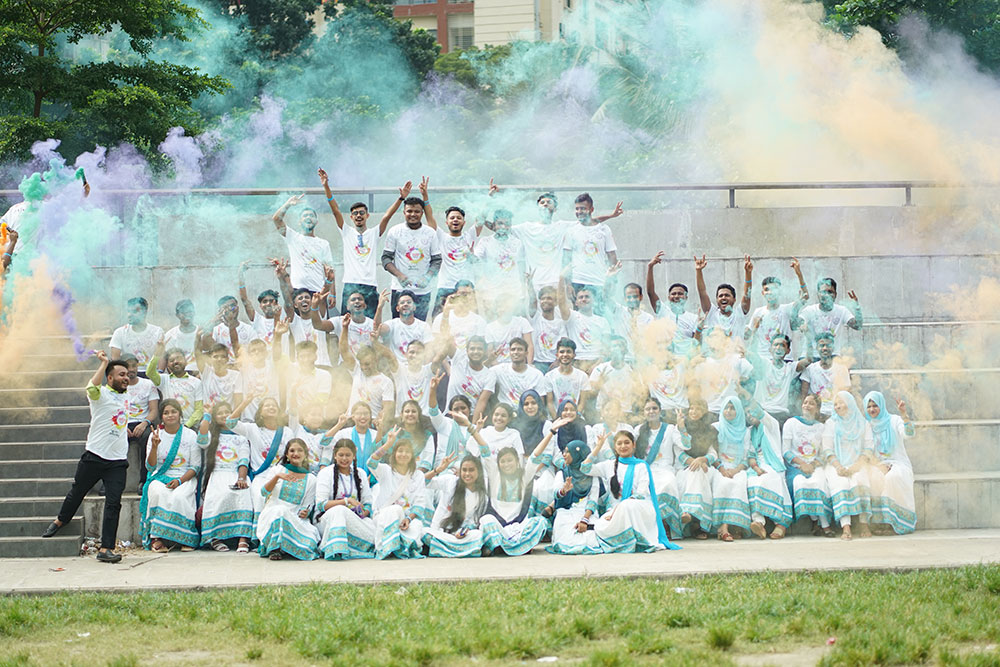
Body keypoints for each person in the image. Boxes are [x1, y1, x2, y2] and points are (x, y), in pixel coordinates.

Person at [42, 352, 131, 563]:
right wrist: (104, 363)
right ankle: (61, 520)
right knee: (78, 491)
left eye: (127, 374)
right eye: (121, 374)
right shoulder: (100, 394)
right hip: (95, 455)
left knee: (113, 503)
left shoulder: (126, 396)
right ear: (110, 378)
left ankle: (105, 548)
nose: (126, 377)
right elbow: (91, 387)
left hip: (117, 461)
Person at [319, 169, 410, 317]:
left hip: (369, 285)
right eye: (355, 213)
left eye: (361, 213)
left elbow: (387, 216)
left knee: (369, 323)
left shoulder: (374, 233)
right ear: (351, 217)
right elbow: (335, 210)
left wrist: (401, 198)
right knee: (347, 322)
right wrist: (326, 186)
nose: (358, 216)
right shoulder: (346, 231)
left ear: (367, 215)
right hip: (350, 284)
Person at [581, 430, 681, 553]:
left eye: (627, 442)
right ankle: (626, 542)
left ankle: (632, 541)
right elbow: (585, 468)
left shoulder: (641, 466)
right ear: (615, 447)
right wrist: (598, 447)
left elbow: (641, 493)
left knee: (628, 505)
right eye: (619, 443)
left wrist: (618, 508)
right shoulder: (609, 465)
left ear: (633, 445)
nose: (623, 446)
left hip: (639, 508)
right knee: (601, 527)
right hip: (614, 510)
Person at [466, 418, 552, 556]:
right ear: (498, 464)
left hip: (517, 527)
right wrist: (471, 427)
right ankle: (518, 547)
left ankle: (502, 547)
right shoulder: (494, 474)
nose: (506, 464)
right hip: (498, 525)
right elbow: (484, 449)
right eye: (503, 461)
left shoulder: (524, 476)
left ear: (517, 461)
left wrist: (551, 432)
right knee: (486, 521)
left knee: (540, 522)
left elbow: (535, 455)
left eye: (509, 460)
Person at [141, 399, 202, 553]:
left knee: (179, 497)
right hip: (161, 476)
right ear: (161, 417)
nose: (170, 415)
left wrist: (180, 481)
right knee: (157, 492)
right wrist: (154, 447)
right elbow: (150, 467)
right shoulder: (155, 435)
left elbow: (195, 466)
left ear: (180, 414)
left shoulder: (190, 435)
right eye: (166, 413)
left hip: (184, 477)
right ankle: (157, 538)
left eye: (174, 411)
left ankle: (185, 537)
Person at [366, 427, 430, 559]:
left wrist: (408, 519)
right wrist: (388, 444)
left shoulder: (417, 475)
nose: (403, 454)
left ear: (412, 456)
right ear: (394, 453)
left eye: (407, 452)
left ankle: (401, 549)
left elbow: (419, 503)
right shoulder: (385, 470)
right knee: (395, 509)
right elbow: (371, 462)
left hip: (406, 519)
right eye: (400, 451)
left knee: (417, 526)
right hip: (385, 516)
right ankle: (388, 548)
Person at [198, 402, 253, 553]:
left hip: (235, 473)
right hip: (217, 474)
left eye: (227, 412)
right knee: (220, 495)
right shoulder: (212, 435)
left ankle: (243, 538)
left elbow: (244, 459)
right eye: (219, 413)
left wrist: (241, 479)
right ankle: (215, 538)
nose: (224, 415)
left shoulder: (241, 437)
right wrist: (207, 415)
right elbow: (202, 437)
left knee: (244, 494)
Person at [382, 188, 441, 321]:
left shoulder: (430, 233)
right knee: (398, 326)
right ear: (404, 212)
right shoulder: (395, 231)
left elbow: (437, 260)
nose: (413, 214)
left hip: (423, 291)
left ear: (422, 213)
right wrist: (399, 275)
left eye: (417, 211)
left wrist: (427, 277)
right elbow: (386, 258)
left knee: (419, 328)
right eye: (409, 211)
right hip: (399, 290)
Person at [822, 391, 873, 540]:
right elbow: (827, 449)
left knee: (860, 480)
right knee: (841, 483)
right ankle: (846, 526)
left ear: (850, 403)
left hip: (858, 464)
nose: (837, 406)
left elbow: (869, 448)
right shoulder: (831, 423)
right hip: (836, 465)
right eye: (835, 404)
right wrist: (838, 467)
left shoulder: (863, 423)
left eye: (841, 402)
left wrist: (855, 467)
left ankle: (864, 524)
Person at [257, 439, 320, 560]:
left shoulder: (311, 479)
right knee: (280, 510)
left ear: (305, 454)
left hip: (294, 517)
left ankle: (286, 547)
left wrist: (304, 512)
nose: (295, 453)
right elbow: (263, 492)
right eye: (292, 450)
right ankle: (275, 548)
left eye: (300, 450)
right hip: (273, 514)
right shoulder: (277, 470)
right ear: (286, 454)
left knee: (310, 540)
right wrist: (277, 477)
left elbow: (307, 505)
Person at [864, 391, 916, 535]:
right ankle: (879, 522)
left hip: (898, 462)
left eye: (875, 405)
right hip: (876, 464)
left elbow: (909, 434)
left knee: (893, 478)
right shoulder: (866, 425)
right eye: (868, 407)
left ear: (881, 405)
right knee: (874, 477)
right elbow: (865, 450)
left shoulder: (894, 420)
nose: (872, 409)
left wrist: (904, 414)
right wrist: (877, 465)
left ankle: (895, 522)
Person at [782, 394, 833, 537]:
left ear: (817, 409)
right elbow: (785, 451)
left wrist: (814, 464)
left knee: (820, 482)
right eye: (805, 402)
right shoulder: (791, 423)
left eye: (811, 404)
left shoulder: (821, 427)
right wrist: (802, 464)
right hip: (796, 466)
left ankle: (822, 524)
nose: (807, 406)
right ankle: (822, 524)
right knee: (800, 482)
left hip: (815, 466)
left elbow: (824, 452)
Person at [315, 438, 375, 559]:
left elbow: (368, 503)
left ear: (354, 455)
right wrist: (346, 502)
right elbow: (321, 505)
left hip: (355, 518)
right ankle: (336, 549)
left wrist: (364, 512)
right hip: (327, 520)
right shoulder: (326, 473)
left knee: (376, 533)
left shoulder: (361, 473)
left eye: (348, 455)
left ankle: (356, 549)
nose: (344, 459)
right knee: (339, 510)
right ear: (335, 455)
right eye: (341, 455)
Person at [423, 455, 493, 557]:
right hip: (441, 533)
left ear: (479, 472)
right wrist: (437, 470)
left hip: (461, 536)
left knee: (477, 535)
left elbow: (473, 522)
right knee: (423, 532)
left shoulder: (482, 496)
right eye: (464, 470)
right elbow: (423, 482)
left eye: (471, 470)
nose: (467, 474)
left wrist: (463, 532)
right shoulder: (450, 481)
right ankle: (461, 551)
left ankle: (441, 549)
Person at [543, 440, 602, 555]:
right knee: (567, 537)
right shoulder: (562, 473)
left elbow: (593, 500)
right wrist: (564, 491)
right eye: (564, 451)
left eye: (568, 452)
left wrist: (584, 521)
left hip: (587, 513)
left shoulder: (592, 475)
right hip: (566, 511)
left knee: (591, 539)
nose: (564, 455)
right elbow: (556, 494)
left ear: (577, 455)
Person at [561, 193, 622, 304]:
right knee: (579, 318)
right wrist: (567, 284)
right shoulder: (571, 230)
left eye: (583, 208)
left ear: (591, 209)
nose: (579, 211)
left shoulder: (604, 229)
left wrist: (613, 279)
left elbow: (612, 255)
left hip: (599, 281)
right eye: (577, 208)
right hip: (577, 281)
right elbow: (566, 259)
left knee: (600, 316)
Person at [635, 397, 683, 539]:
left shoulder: (669, 429)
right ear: (644, 412)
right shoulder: (639, 430)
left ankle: (665, 524)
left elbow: (685, 445)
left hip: (665, 469)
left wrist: (682, 427)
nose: (651, 411)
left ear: (660, 411)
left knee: (667, 484)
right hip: (645, 470)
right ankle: (651, 527)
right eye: (648, 409)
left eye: (654, 408)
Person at [744, 259, 808, 364]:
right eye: (767, 289)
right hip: (764, 359)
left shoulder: (787, 309)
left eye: (774, 288)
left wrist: (799, 274)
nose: (770, 292)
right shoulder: (758, 312)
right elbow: (748, 337)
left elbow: (805, 296)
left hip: (785, 359)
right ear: (762, 293)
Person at [745, 405, 794, 539]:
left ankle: (781, 524)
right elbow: (750, 456)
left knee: (768, 479)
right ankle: (759, 523)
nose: (750, 415)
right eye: (747, 413)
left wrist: (745, 395)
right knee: (751, 481)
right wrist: (756, 468)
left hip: (773, 465)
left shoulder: (770, 425)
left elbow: (760, 413)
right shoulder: (750, 431)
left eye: (752, 412)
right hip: (758, 466)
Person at [271, 193, 334, 293]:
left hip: (318, 290)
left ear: (316, 221)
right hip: (298, 290)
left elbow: (330, 270)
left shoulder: (324, 243)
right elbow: (276, 219)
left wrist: (332, 294)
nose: (308, 217)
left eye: (311, 215)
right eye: (305, 216)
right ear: (299, 222)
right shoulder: (293, 237)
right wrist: (288, 204)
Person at [710, 396, 752, 542]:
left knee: (739, 483)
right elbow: (712, 452)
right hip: (719, 467)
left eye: (733, 408)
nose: (728, 411)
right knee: (723, 483)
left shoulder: (745, 431)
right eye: (726, 407)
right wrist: (722, 469)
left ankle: (731, 525)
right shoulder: (715, 427)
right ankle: (724, 527)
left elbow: (746, 457)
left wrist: (735, 470)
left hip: (737, 469)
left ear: (739, 411)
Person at [675, 399, 718, 540]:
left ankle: (689, 514)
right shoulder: (681, 427)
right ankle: (696, 524)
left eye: (698, 409)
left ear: (704, 412)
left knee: (699, 473)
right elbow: (679, 452)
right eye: (691, 408)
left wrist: (702, 460)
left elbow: (713, 453)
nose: (694, 412)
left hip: (705, 467)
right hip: (684, 467)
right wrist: (694, 462)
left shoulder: (710, 430)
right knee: (695, 472)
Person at [428, 204, 480, 314]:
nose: (455, 220)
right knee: (438, 320)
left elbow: (481, 219)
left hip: (466, 288)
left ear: (464, 222)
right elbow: (429, 217)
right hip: (445, 287)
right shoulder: (441, 237)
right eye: (452, 218)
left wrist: (490, 197)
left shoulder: (469, 236)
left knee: (471, 322)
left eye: (459, 218)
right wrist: (425, 197)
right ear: (446, 222)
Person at [792, 278, 863, 360]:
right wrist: (797, 306)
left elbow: (858, 326)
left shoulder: (842, 311)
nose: (826, 295)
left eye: (830, 292)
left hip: (832, 355)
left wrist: (856, 307)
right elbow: (794, 325)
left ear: (835, 294)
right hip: (811, 356)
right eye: (823, 292)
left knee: (841, 369)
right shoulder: (810, 310)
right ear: (818, 294)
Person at [340, 328, 395, 430]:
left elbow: (387, 408)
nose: (364, 367)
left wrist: (380, 418)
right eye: (361, 364)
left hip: (371, 422)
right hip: (351, 420)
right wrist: (345, 328)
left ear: (376, 360)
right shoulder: (357, 371)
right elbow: (343, 350)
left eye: (367, 364)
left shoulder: (386, 382)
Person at [694, 254, 753, 348]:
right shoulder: (711, 313)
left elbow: (747, 294)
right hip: (716, 359)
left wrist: (748, 273)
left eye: (727, 295)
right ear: (717, 300)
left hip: (736, 358)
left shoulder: (739, 313)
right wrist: (699, 271)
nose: (723, 298)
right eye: (720, 296)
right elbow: (702, 292)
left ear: (734, 300)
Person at [646, 251, 698, 354]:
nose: (676, 296)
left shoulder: (694, 318)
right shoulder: (663, 312)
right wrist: (650, 267)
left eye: (680, 294)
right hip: (665, 361)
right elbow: (650, 292)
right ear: (669, 297)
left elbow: (695, 342)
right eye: (673, 294)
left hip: (684, 362)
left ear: (686, 297)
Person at [751, 334, 810, 422]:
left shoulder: (790, 368)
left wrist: (808, 335)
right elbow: (752, 354)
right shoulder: (764, 363)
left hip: (781, 414)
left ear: (788, 351)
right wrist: (754, 330)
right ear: (770, 349)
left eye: (782, 345)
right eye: (775, 345)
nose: (778, 348)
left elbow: (808, 360)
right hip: (762, 411)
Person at [122, 355, 158, 493]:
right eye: (127, 366)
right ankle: (110, 481)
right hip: (123, 424)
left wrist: (144, 423)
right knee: (112, 438)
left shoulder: (148, 384)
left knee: (149, 438)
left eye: (134, 366)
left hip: (143, 422)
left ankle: (144, 480)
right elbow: (113, 410)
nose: (131, 369)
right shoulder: (118, 386)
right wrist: (122, 427)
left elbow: (154, 410)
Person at [147, 343, 204, 427]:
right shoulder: (164, 380)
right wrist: (157, 353)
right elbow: (150, 372)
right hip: (169, 425)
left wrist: (186, 426)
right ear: (167, 365)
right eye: (171, 360)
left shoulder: (196, 382)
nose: (176, 362)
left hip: (190, 427)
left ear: (186, 361)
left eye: (179, 358)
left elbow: (199, 410)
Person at [799, 333, 852, 417]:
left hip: (835, 413)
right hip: (816, 414)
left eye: (828, 345)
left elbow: (845, 395)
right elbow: (804, 395)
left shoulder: (841, 369)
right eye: (822, 345)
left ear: (833, 348)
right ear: (817, 348)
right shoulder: (810, 369)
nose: (825, 348)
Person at [445, 336, 495, 421]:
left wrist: (473, 428)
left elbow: (481, 403)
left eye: (479, 349)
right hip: (450, 415)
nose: (476, 352)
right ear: (467, 351)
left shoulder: (490, 375)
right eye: (472, 349)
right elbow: (448, 343)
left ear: (485, 352)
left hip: (470, 416)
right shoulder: (459, 359)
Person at [490, 337, 548, 409]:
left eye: (520, 349)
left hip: (527, 413)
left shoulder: (537, 374)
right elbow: (482, 372)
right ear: (510, 352)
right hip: (507, 413)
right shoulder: (500, 370)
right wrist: (489, 360)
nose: (516, 352)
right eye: (513, 349)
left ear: (526, 353)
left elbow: (540, 402)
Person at [563, 285, 610, 373]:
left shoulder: (602, 321)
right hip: (576, 361)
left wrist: (597, 365)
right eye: (580, 297)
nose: (584, 299)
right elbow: (561, 303)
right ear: (576, 302)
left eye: (587, 297)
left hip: (597, 361)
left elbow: (607, 347)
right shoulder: (572, 317)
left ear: (593, 301)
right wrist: (562, 280)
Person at [377, 289, 432, 364]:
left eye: (409, 302)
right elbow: (377, 330)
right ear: (397, 308)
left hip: (417, 368)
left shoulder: (424, 326)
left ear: (414, 307)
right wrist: (380, 307)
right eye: (402, 303)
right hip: (397, 369)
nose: (405, 304)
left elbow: (429, 352)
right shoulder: (392, 324)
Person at [473, 208, 526, 288]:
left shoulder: (517, 243)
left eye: (507, 224)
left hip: (513, 289)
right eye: (500, 223)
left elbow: (521, 266)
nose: (503, 227)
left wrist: (524, 286)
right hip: (492, 288)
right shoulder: (485, 242)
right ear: (494, 225)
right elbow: (476, 259)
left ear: (510, 225)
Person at [237, 262, 281, 349]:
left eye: (271, 301)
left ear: (277, 303)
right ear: (260, 305)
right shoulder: (257, 319)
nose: (268, 303)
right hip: (260, 359)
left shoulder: (283, 319)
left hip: (279, 360)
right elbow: (244, 299)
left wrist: (282, 277)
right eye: (265, 301)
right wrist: (240, 275)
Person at [110, 297, 164, 368]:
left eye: (134, 311)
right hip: (128, 374)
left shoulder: (157, 332)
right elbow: (115, 362)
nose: (129, 315)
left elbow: (161, 359)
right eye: (128, 311)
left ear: (145, 312)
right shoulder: (120, 332)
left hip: (151, 375)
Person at [527, 284, 568, 373]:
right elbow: (532, 301)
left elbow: (564, 343)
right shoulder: (535, 318)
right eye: (542, 298)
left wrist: (558, 361)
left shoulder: (560, 323)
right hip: (538, 363)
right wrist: (529, 283)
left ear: (556, 302)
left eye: (549, 298)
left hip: (555, 363)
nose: (545, 301)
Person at [545, 338, 591, 418]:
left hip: (576, 419)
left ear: (574, 355)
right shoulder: (549, 376)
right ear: (557, 355)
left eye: (568, 352)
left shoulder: (582, 376)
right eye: (562, 352)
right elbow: (550, 403)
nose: (565, 355)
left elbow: (582, 403)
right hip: (556, 419)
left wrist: (574, 419)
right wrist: (558, 421)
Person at [208, 295, 257, 361]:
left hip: (243, 367)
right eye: (226, 307)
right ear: (220, 311)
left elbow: (256, 350)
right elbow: (208, 349)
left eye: (233, 306)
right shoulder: (216, 330)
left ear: (238, 308)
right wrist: (212, 323)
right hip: (223, 368)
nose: (230, 309)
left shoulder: (248, 329)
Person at [197, 342, 243, 412]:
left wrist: (232, 418)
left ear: (227, 359)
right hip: (209, 417)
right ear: (210, 358)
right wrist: (198, 337)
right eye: (215, 356)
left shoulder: (236, 375)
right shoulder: (206, 372)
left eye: (223, 356)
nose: (219, 359)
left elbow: (238, 401)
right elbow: (197, 354)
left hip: (228, 417)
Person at [161, 299, 199, 373]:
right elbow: (166, 358)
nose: (186, 315)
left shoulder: (201, 333)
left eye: (189, 312)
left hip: (198, 373)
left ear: (194, 313)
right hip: (178, 374)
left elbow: (207, 357)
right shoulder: (170, 335)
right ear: (177, 315)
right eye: (183, 312)